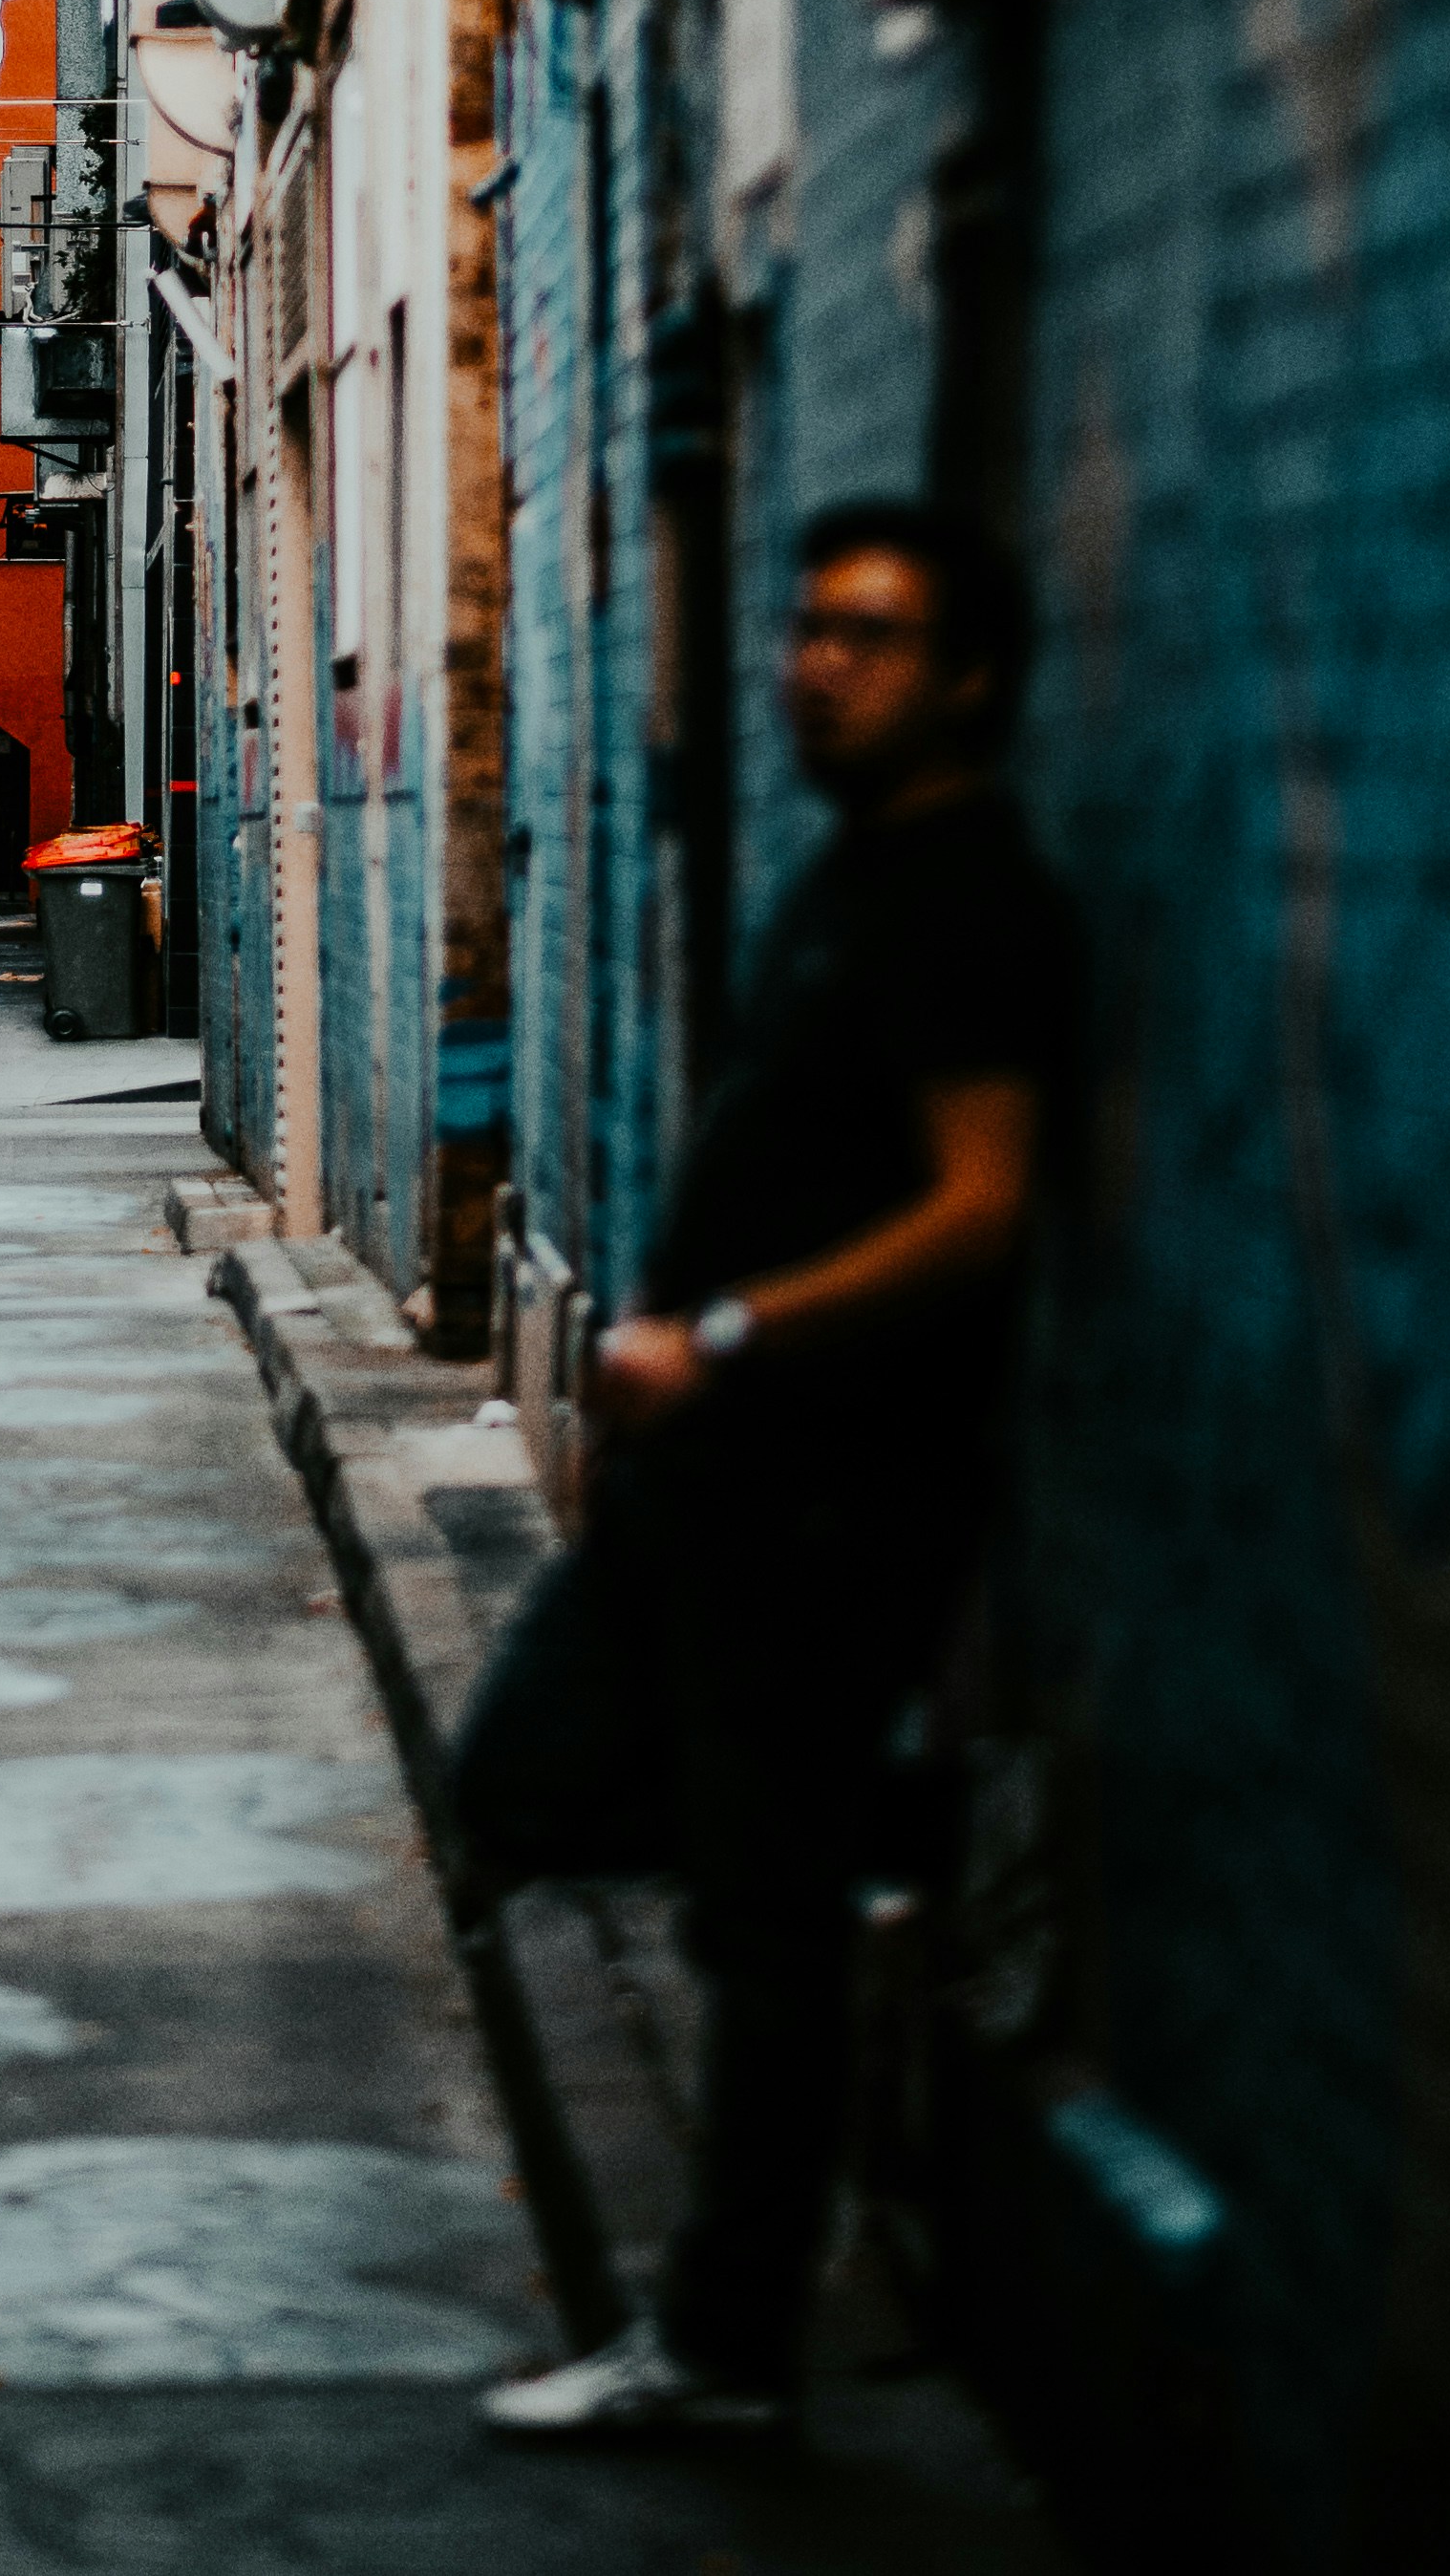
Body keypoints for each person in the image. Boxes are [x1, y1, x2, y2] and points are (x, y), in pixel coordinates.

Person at [461, 500, 1081, 2445]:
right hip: (709, 1490)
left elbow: (987, 1210)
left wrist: (725, 1338)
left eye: (875, 637)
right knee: (520, 1780)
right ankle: (880, 1845)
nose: (820, 663)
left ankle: (724, 2343)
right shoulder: (850, 874)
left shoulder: (973, 899)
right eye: (810, 627)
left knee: (758, 1915)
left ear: (971, 677)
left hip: (826, 1495)